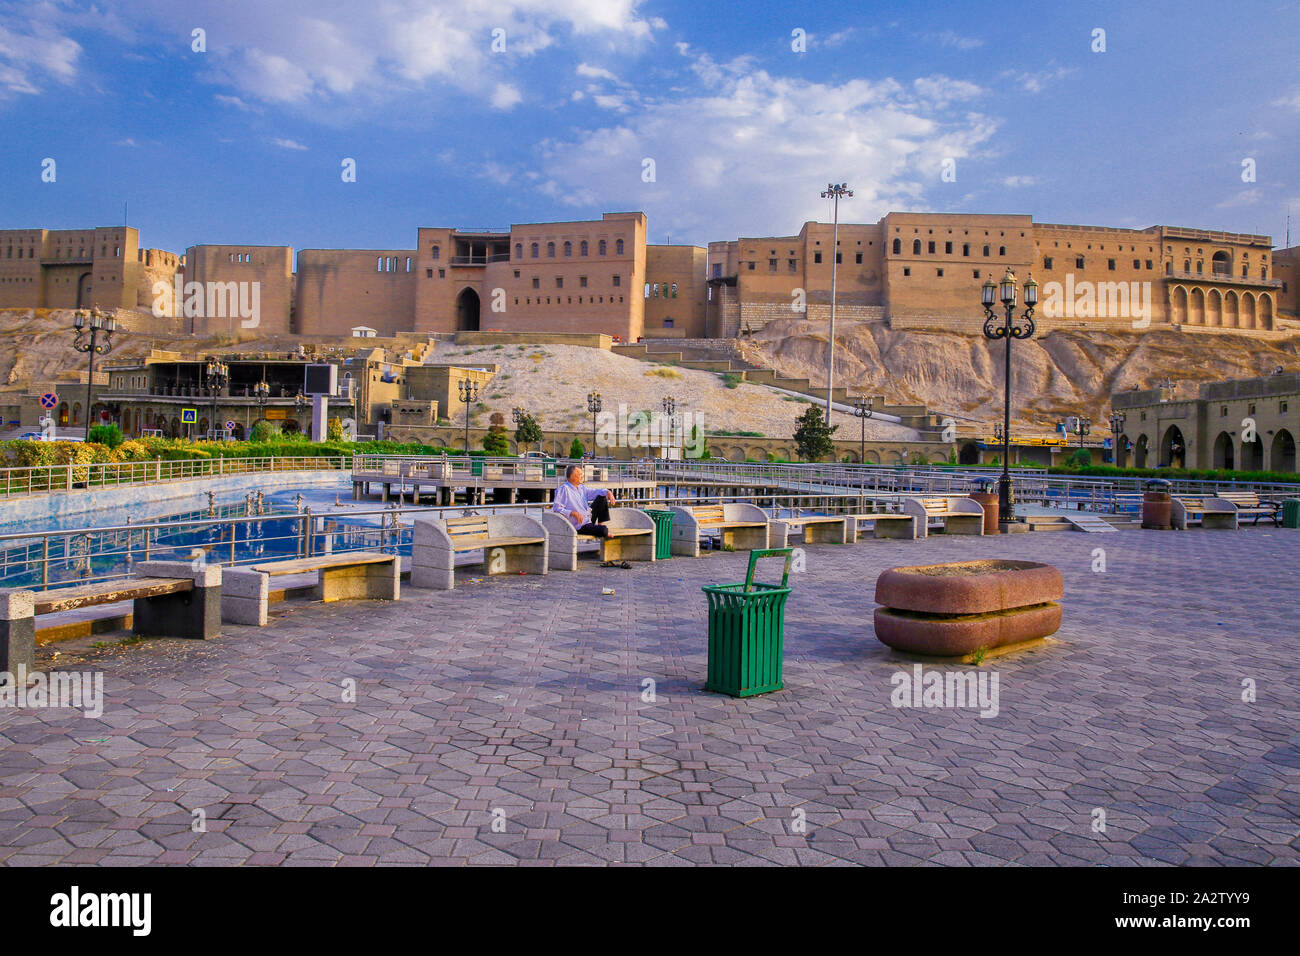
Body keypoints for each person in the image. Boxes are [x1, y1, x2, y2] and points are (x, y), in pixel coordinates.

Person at [552, 464, 617, 538]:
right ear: (573, 476)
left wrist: (608, 492)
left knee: (601, 497)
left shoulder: (581, 488)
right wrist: (572, 513)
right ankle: (602, 529)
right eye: (580, 474)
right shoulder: (564, 489)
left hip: (587, 519)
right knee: (603, 530)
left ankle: (600, 524)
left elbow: (596, 492)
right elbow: (556, 509)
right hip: (579, 525)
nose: (582, 476)